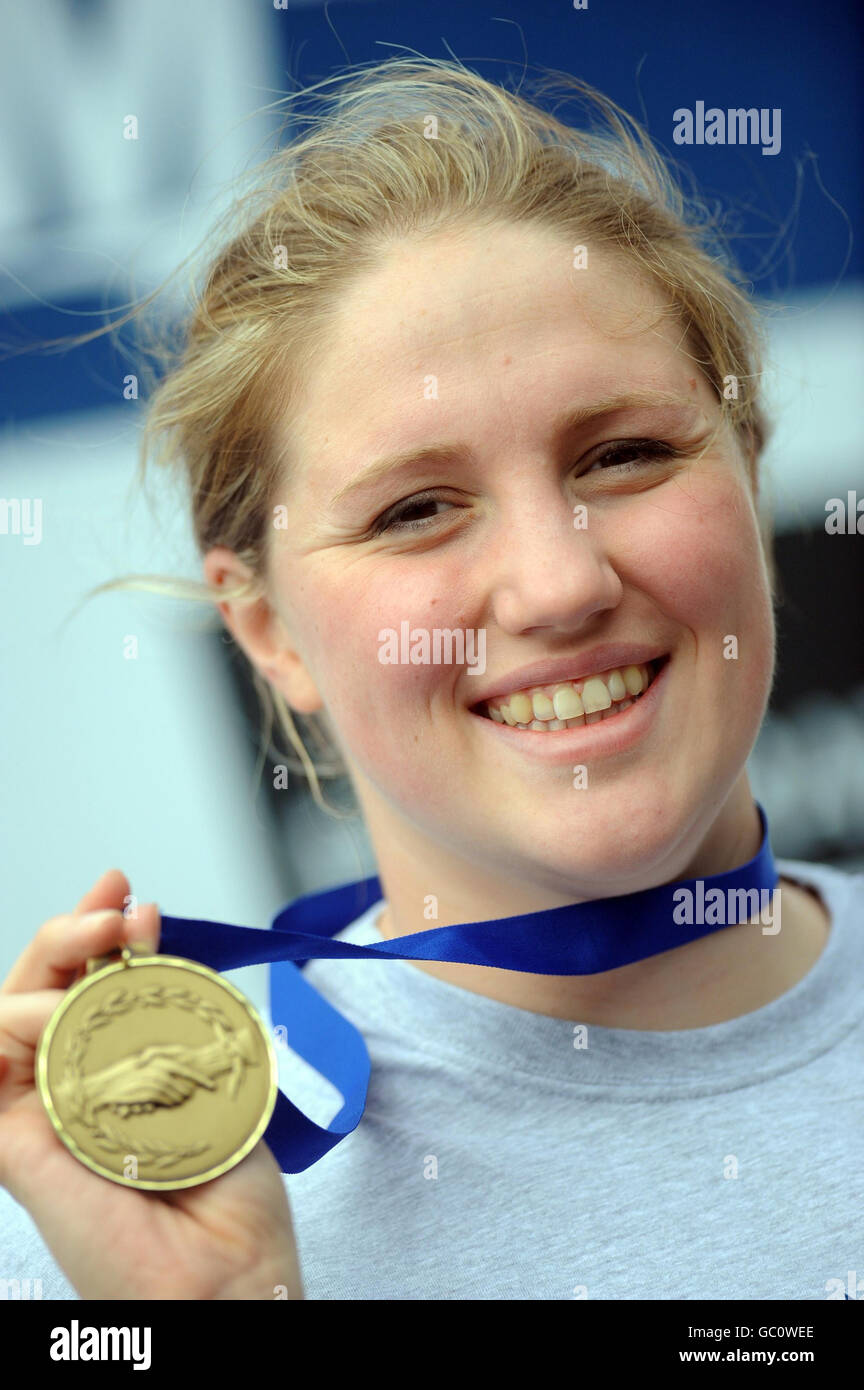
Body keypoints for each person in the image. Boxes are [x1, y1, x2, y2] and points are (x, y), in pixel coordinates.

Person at [1, 58, 861, 1302]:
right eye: (416, 510)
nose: (559, 584)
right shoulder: (95, 1236)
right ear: (268, 630)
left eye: (623, 453)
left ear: (750, 467)